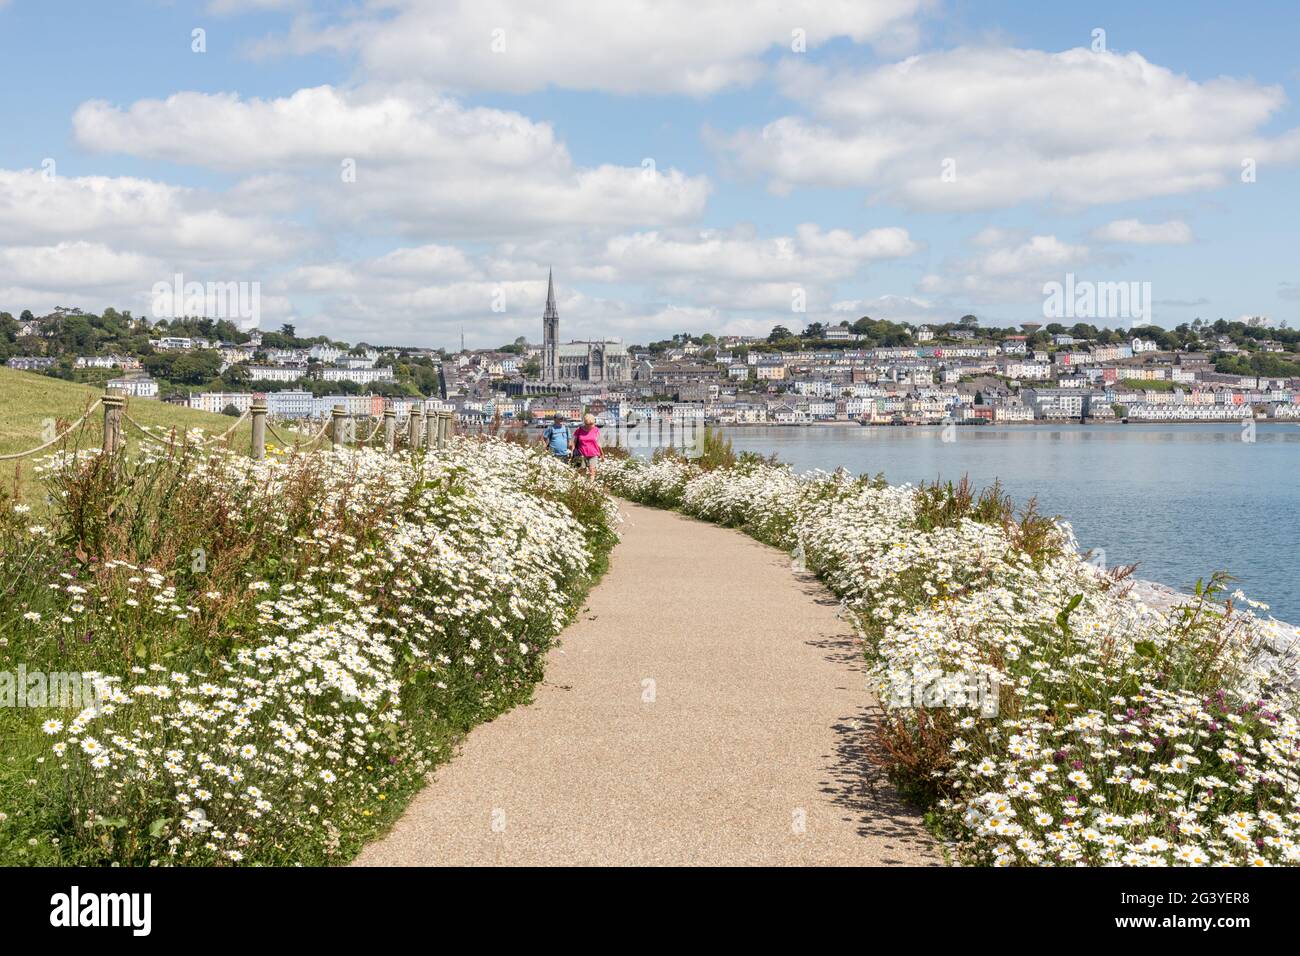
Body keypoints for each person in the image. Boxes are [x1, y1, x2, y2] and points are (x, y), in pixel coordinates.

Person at [572, 412, 602, 478]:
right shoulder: (579, 430)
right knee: (582, 471)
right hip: (581, 454)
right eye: (588, 424)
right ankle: (583, 485)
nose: (590, 426)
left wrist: (602, 454)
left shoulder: (596, 430)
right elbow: (574, 442)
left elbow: (598, 442)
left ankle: (591, 485)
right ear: (585, 423)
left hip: (593, 454)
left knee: (592, 471)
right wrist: (572, 453)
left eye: (592, 424)